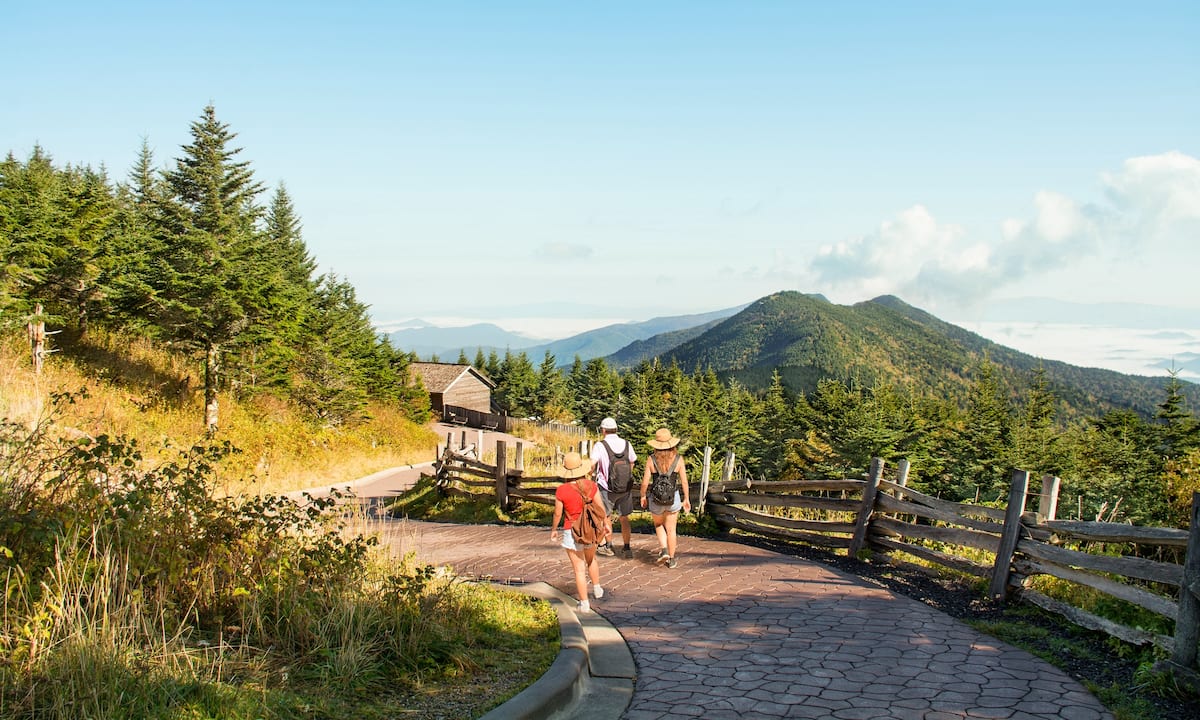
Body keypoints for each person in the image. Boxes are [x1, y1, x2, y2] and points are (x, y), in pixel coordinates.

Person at [550, 451, 611, 612]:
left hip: (572, 530)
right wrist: (605, 524)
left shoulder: (562, 490)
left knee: (578, 568)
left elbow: (558, 513)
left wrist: (554, 529)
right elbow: (600, 507)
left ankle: (584, 603)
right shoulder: (592, 486)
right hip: (590, 528)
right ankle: (597, 587)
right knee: (591, 559)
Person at [640, 427, 690, 569]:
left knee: (658, 525)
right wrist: (686, 498)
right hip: (673, 498)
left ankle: (664, 549)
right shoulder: (679, 459)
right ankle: (672, 559)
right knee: (671, 529)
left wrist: (643, 495)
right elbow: (684, 481)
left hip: (656, 498)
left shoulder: (651, 459)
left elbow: (645, 482)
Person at [589, 417, 637, 559]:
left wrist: (591, 474)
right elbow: (632, 462)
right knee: (624, 517)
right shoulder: (626, 444)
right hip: (625, 487)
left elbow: (592, 463)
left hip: (606, 488)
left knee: (606, 516)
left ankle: (608, 546)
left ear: (603, 430)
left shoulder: (600, 445)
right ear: (616, 429)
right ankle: (627, 547)